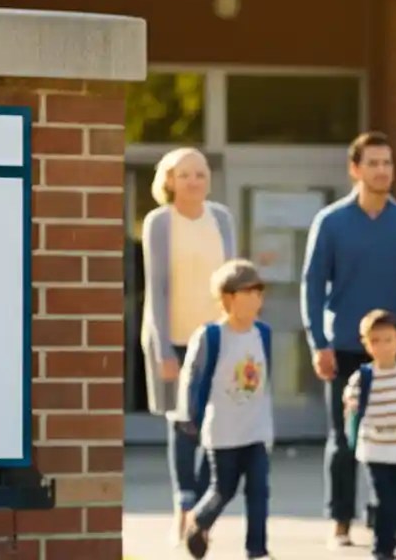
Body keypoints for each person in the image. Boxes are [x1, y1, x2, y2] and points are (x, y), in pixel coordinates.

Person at [300, 131, 396, 553]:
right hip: (344, 347)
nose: (382, 171)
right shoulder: (332, 221)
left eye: (388, 163)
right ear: (355, 169)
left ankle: (390, 527)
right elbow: (312, 284)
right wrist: (318, 342)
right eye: (373, 163)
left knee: (395, 439)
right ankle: (340, 521)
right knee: (346, 438)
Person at [139, 148, 238, 539]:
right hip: (176, 339)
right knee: (184, 425)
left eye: (200, 174)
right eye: (185, 175)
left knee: (214, 424)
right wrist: (162, 349)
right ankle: (184, 502)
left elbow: (232, 281)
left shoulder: (222, 219)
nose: (194, 181)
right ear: (169, 181)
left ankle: (199, 508)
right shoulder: (159, 222)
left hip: (217, 337)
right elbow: (157, 288)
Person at [175, 259, 274, 560]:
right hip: (223, 431)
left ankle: (256, 550)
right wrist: (189, 418)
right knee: (223, 490)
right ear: (228, 298)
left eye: (260, 291)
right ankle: (199, 521)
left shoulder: (264, 333)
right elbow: (192, 380)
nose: (257, 298)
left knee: (259, 491)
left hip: (256, 429)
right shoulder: (211, 336)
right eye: (249, 292)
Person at [343, 310, 396, 560]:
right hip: (375, 449)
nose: (382, 346)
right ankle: (382, 549)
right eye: (375, 341)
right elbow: (352, 406)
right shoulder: (363, 378)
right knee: (383, 500)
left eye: (388, 340)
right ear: (366, 344)